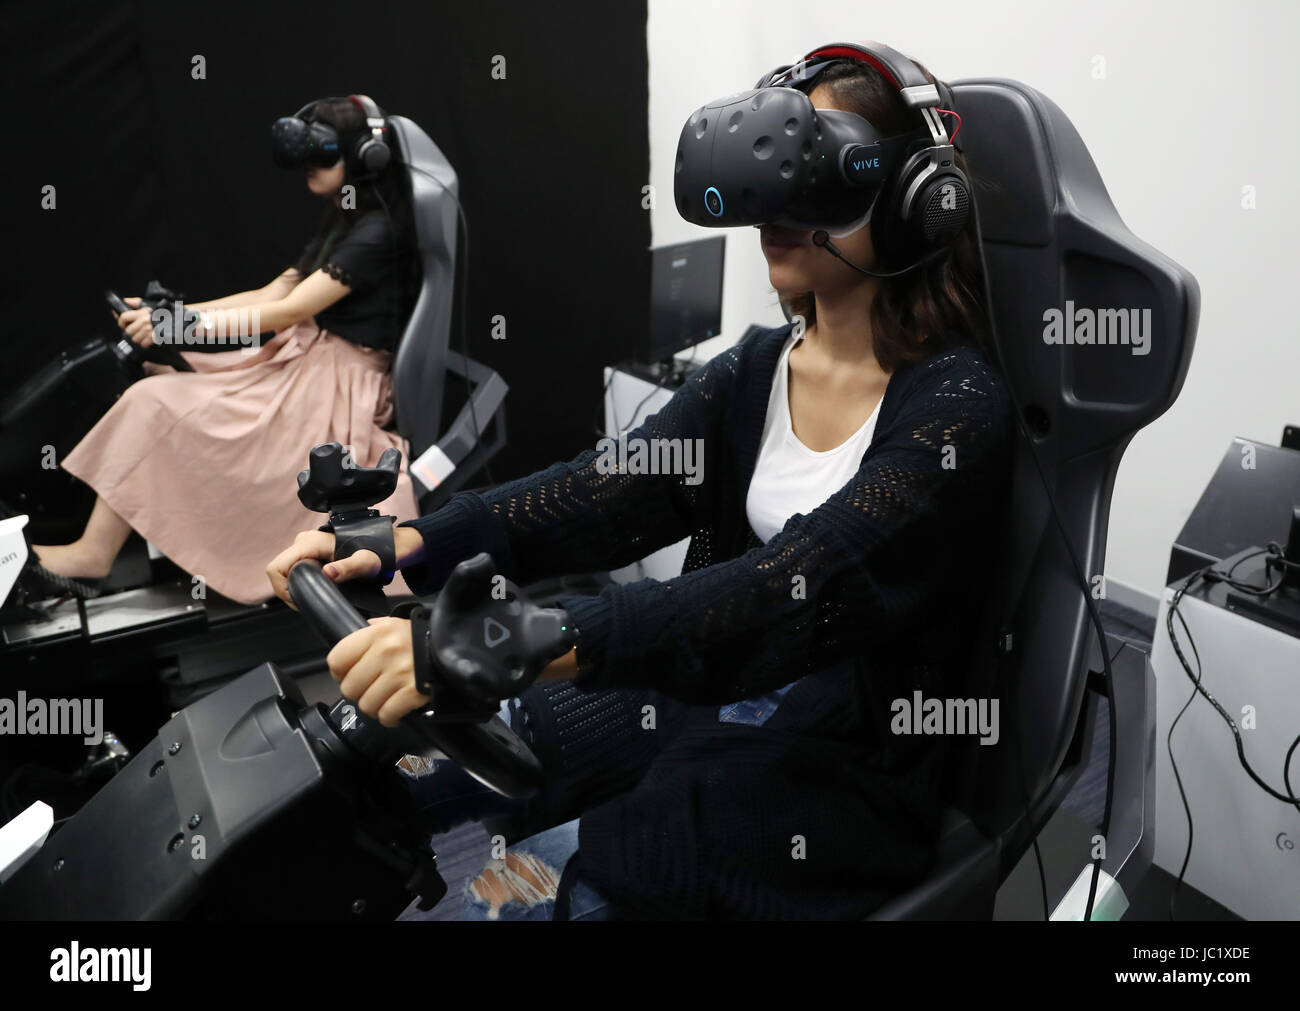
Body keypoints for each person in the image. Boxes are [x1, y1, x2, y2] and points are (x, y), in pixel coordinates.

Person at [269, 51, 1015, 920]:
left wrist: (532, 632)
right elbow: (608, 489)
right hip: (710, 683)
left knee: (624, 869)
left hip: (845, 760)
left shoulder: (959, 408)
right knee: (384, 764)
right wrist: (414, 540)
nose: (775, 210)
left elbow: (789, 590)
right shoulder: (760, 367)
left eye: (815, 179)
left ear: (912, 199)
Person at [27, 96, 419, 605]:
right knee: (154, 384)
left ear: (365, 158)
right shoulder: (348, 219)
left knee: (154, 403)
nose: (306, 169)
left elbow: (285, 312)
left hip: (337, 383)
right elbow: (272, 293)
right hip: (307, 362)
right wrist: (176, 314)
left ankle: (92, 555)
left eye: (321, 156)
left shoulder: (377, 232)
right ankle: (98, 550)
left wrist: (179, 325)